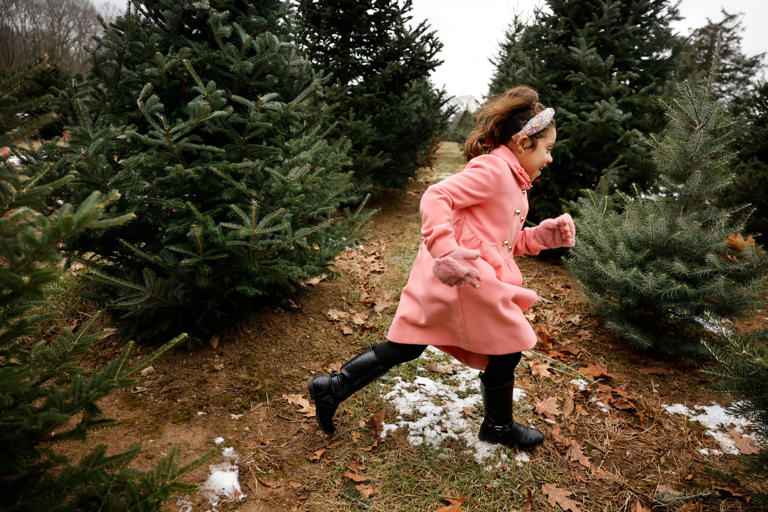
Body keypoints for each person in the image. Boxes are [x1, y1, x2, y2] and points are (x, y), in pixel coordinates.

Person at [307, 86, 575, 450]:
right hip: (462, 279)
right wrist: (445, 249)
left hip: (468, 279)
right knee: (506, 347)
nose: (550, 158)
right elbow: (437, 195)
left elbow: (502, 242)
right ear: (522, 145)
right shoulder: (495, 169)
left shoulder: (513, 178)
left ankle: (332, 388)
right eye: (548, 149)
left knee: (409, 345)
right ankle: (498, 428)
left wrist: (541, 237)